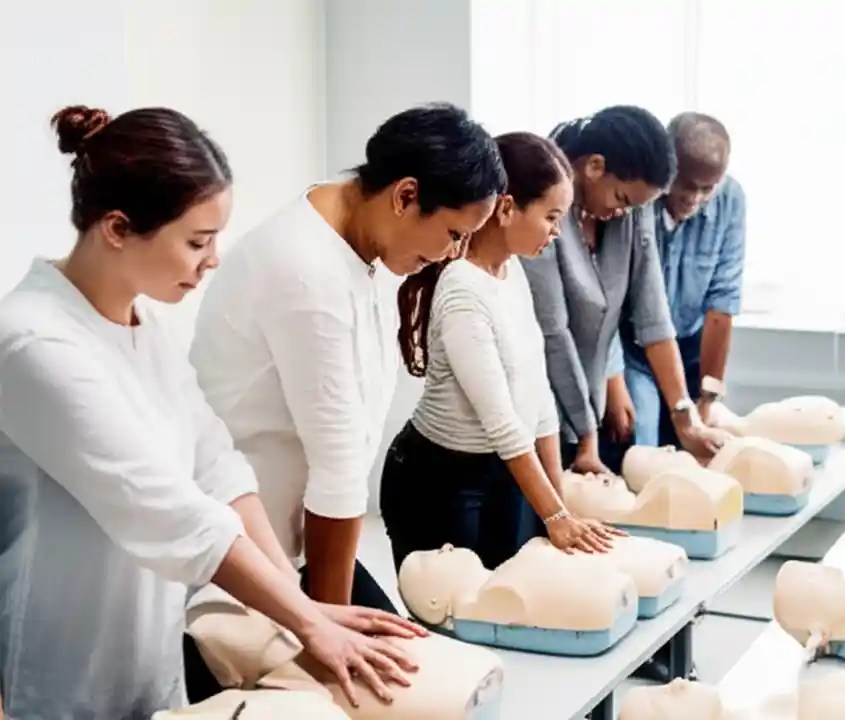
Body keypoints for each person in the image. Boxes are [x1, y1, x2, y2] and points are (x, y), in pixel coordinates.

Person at [0, 105, 422, 720]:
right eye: (198, 240)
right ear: (117, 228)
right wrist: (304, 618)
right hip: (60, 668)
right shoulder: (33, 341)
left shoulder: (142, 323)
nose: (214, 258)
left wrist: (301, 598)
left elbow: (216, 465)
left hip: (146, 651)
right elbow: (166, 510)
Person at [189, 103, 505, 613]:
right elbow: (338, 467)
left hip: (293, 540)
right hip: (241, 559)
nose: (453, 253)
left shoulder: (354, 234)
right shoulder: (306, 268)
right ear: (406, 196)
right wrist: (328, 628)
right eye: (453, 234)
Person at [380, 132, 624, 572]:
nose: (556, 232)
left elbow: (537, 400)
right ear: (507, 208)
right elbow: (502, 422)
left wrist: (562, 505)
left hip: (503, 472)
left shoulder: (511, 272)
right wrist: (555, 515)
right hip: (440, 483)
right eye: (552, 217)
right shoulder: (461, 288)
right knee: (459, 616)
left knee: (511, 604)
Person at [522, 105, 729, 475]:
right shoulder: (546, 211)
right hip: (537, 414)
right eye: (620, 200)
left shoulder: (632, 211)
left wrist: (687, 419)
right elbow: (554, 333)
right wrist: (588, 438)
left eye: (636, 207)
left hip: (585, 406)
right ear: (594, 167)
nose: (625, 213)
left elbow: (654, 317)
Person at [607, 112, 745, 447]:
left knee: (701, 438)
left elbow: (721, 307)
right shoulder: (637, 202)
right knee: (642, 438)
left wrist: (708, 396)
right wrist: (613, 384)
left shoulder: (731, 199)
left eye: (707, 189)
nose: (694, 198)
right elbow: (607, 305)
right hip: (633, 347)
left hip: (690, 344)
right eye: (686, 185)